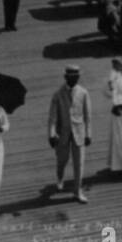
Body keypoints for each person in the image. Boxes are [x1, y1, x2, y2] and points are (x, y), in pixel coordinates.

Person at [49, 65, 92, 202]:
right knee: (62, 160)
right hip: (63, 134)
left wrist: (88, 134)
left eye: (77, 77)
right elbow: (53, 118)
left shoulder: (83, 93)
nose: (75, 79)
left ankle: (77, 191)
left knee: (79, 163)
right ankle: (60, 177)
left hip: (79, 133)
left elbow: (88, 115)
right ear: (66, 77)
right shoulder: (58, 94)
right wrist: (52, 134)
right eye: (72, 77)